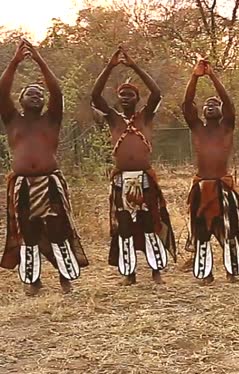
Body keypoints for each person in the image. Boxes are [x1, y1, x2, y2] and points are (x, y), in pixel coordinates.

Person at [1, 39, 87, 294]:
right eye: (30, 93)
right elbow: (1, 91)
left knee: (58, 230)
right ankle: (33, 280)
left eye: (40, 94)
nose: (37, 96)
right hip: (22, 185)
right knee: (28, 233)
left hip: (50, 184)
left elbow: (57, 92)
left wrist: (39, 59)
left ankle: (65, 277)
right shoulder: (12, 119)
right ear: (21, 99)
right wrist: (16, 61)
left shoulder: (52, 119)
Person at [91, 47, 175, 285]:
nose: (126, 97)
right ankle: (129, 273)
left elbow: (156, 93)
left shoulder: (145, 117)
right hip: (122, 180)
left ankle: (156, 270)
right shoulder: (113, 118)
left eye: (130, 94)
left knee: (151, 223)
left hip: (145, 178)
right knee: (124, 225)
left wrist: (134, 65)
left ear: (137, 99)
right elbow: (95, 96)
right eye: (122, 94)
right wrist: (110, 66)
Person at [182, 58, 239, 283]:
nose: (211, 105)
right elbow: (187, 104)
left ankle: (232, 272)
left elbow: (229, 103)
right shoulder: (197, 128)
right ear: (202, 112)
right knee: (201, 232)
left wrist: (212, 76)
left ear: (222, 111)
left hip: (223, 186)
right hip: (202, 186)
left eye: (215, 104)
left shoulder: (227, 126)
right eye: (207, 104)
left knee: (228, 229)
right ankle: (205, 274)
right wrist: (194, 76)